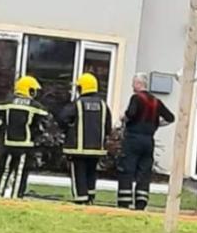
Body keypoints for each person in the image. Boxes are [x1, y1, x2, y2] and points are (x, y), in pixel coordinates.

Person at [117, 73, 175, 210]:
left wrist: (122, 118)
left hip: (133, 138)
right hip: (149, 140)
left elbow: (130, 114)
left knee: (127, 169)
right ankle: (141, 201)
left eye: (133, 83)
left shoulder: (136, 98)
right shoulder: (156, 101)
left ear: (138, 84)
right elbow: (170, 118)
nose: (132, 86)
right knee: (144, 171)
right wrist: (156, 124)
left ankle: (125, 201)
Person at [0, 75, 49, 199]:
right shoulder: (34, 106)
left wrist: (0, 131)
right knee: (20, 172)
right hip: (25, 145)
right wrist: (36, 136)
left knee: (4, 170)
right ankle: (16, 196)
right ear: (29, 90)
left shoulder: (8, 102)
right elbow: (42, 122)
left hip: (7, 143)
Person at [59, 73, 111, 205]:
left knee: (79, 172)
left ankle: (81, 198)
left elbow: (63, 118)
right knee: (91, 171)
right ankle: (91, 196)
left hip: (78, 148)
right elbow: (108, 126)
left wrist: (69, 131)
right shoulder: (103, 105)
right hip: (96, 149)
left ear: (82, 88)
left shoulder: (77, 104)